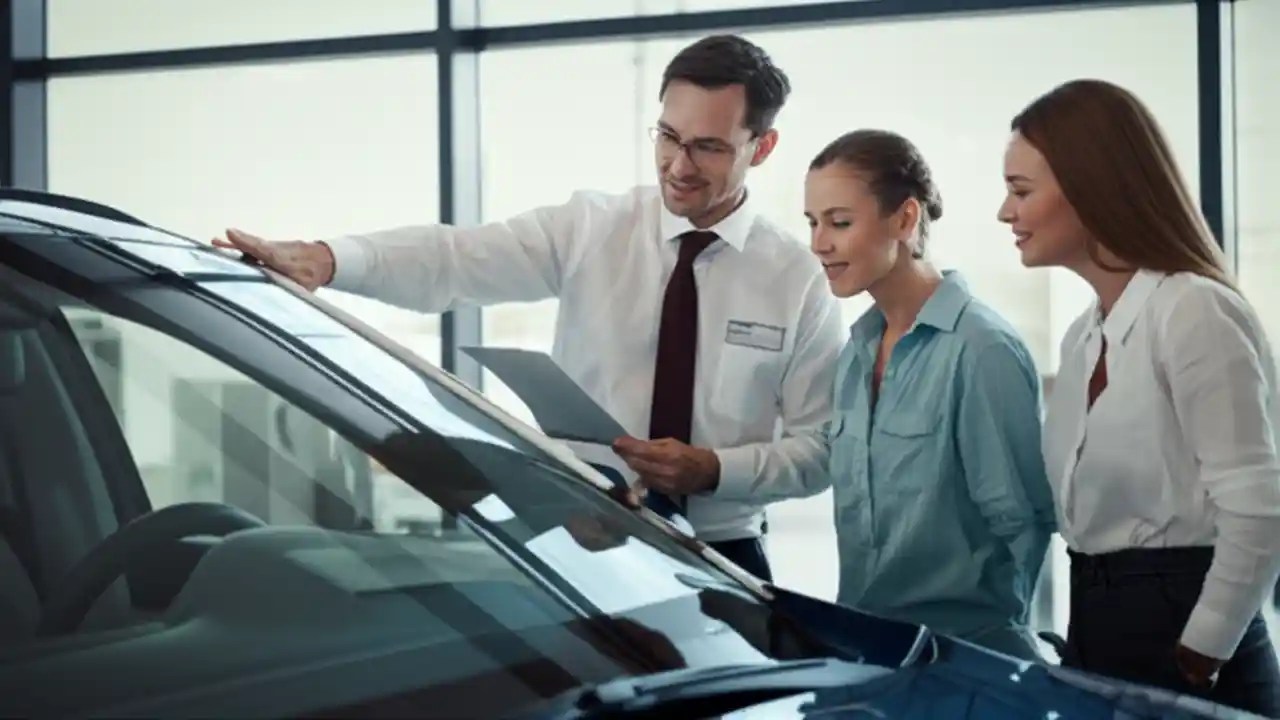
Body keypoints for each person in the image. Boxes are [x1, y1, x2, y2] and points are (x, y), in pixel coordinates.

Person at [213, 34, 845, 582]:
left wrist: (713, 470)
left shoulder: (797, 278)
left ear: (760, 148)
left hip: (724, 555)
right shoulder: (592, 227)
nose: (678, 166)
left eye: (708, 147)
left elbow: (820, 450)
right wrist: (328, 259)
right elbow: (455, 258)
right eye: (669, 137)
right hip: (584, 538)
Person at [999, 78, 1280, 714]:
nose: (1005, 213)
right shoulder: (1082, 338)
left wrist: (1202, 650)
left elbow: (1258, 509)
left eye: (1020, 191)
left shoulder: (1192, 310)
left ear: (1091, 185)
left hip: (1190, 647)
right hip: (1100, 633)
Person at [804, 129, 1055, 660]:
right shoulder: (855, 352)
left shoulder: (981, 349)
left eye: (839, 222)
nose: (819, 243)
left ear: (905, 219)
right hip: (869, 654)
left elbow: (1024, 527)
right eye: (814, 223)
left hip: (967, 662)